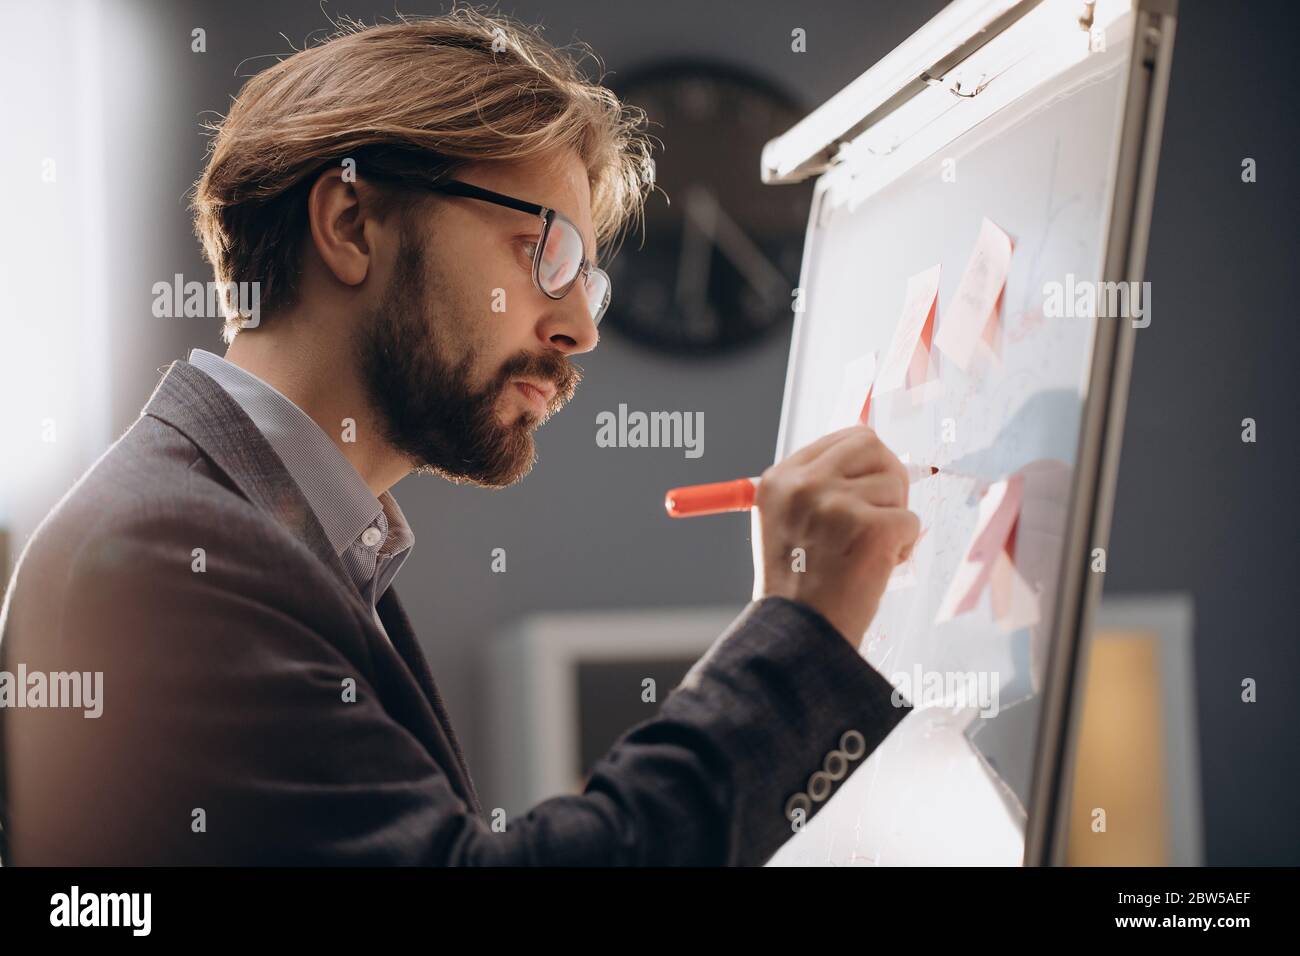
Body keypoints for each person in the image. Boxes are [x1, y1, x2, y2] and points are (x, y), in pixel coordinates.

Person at [0, 9, 919, 865]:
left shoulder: (283, 536)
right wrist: (800, 632)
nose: (580, 331)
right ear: (351, 222)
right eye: (545, 252)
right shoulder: (172, 554)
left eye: (588, 284)